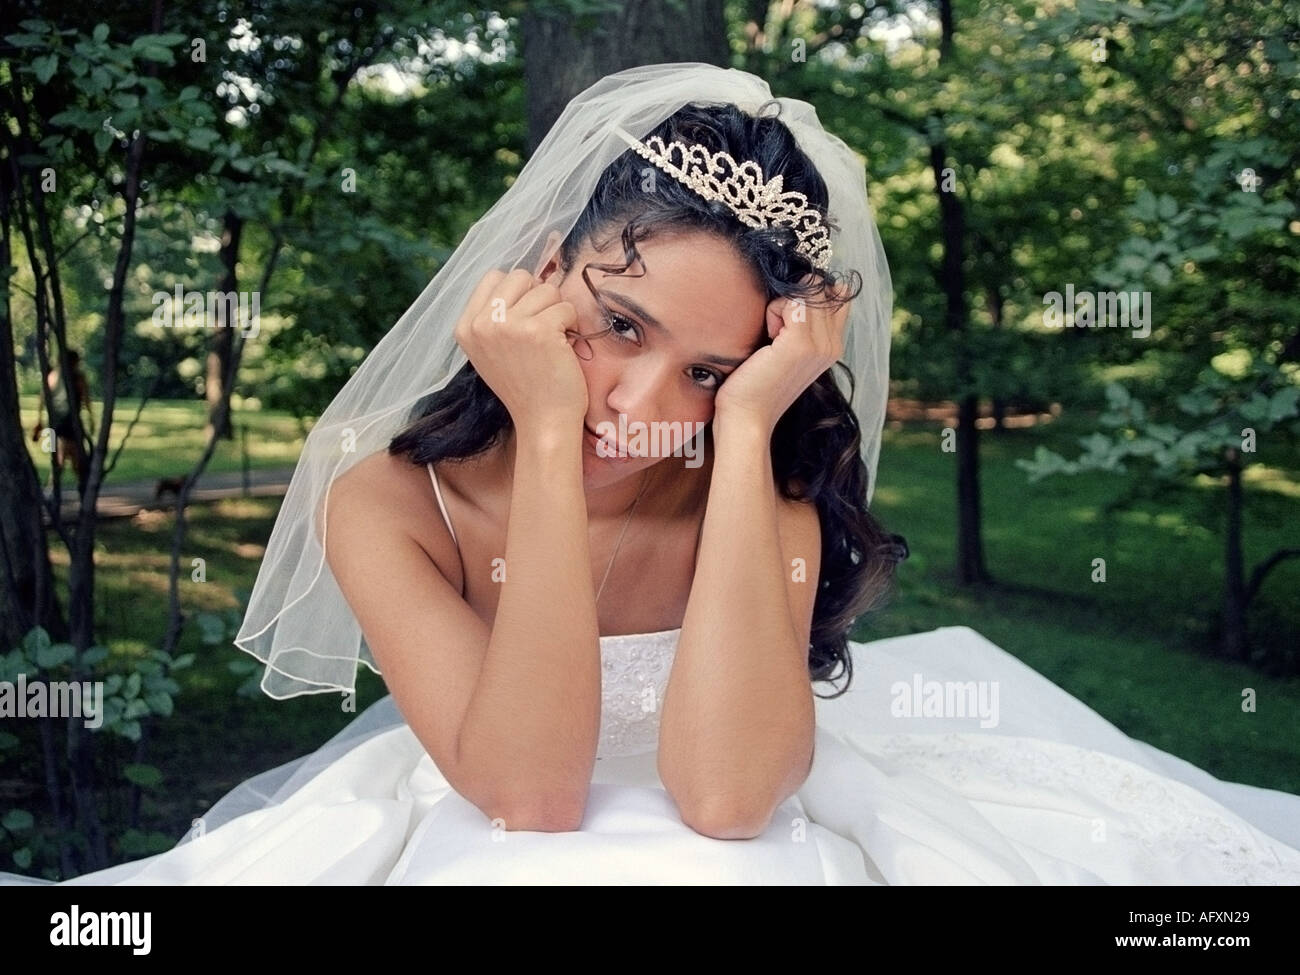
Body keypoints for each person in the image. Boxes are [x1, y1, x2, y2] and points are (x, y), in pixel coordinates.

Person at [5, 63, 1299, 885]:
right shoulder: (382, 497)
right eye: (617, 322)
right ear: (536, 263)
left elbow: (732, 796)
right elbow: (531, 787)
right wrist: (550, 435)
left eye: (706, 366)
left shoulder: (760, 471)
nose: (641, 406)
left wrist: (743, 439)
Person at [31, 349, 94, 484]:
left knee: (61, 460)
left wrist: (39, 420)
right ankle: (81, 491)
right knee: (74, 460)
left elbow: (42, 399)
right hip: (70, 423)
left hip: (56, 423)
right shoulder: (77, 377)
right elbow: (86, 398)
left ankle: (55, 490)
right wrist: (91, 418)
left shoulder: (52, 376)